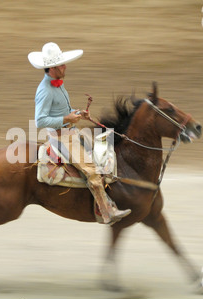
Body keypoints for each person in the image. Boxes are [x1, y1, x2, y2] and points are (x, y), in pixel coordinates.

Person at [28, 42, 131, 225]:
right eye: (61, 64)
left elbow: (62, 110)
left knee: (103, 147)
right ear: (51, 68)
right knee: (91, 170)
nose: (65, 66)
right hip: (61, 138)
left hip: (71, 132)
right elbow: (40, 121)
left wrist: (77, 113)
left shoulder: (58, 85)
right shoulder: (45, 91)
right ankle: (106, 212)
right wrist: (67, 118)